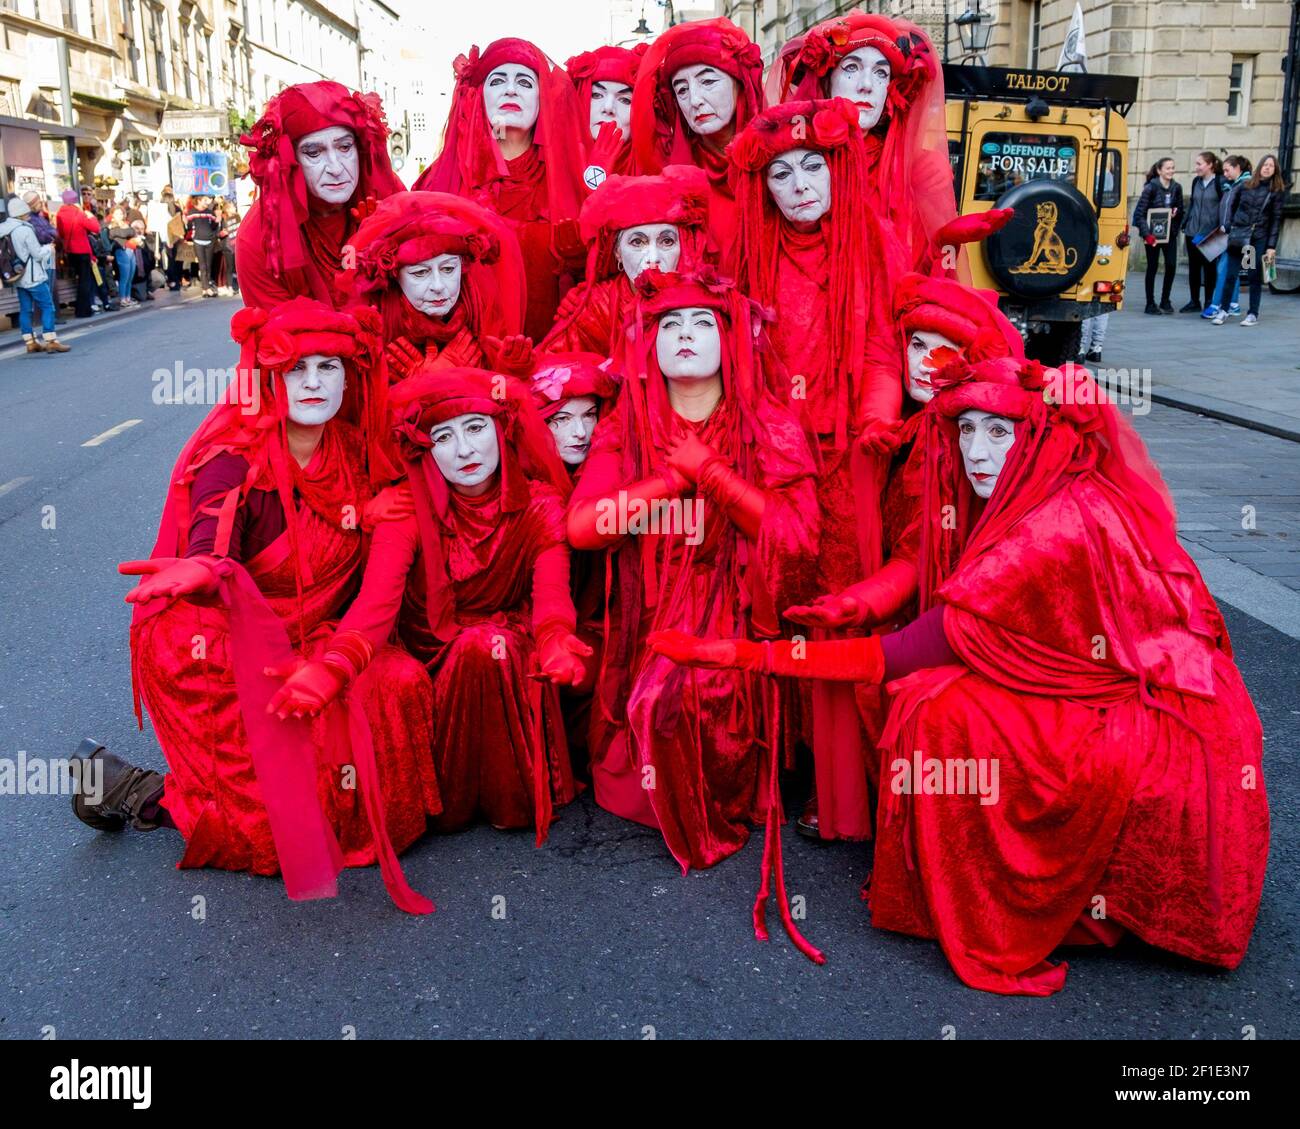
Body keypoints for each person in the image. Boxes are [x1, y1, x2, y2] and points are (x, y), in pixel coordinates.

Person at [651, 346, 1268, 995]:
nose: (975, 449)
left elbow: (900, 652)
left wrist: (742, 654)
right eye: (966, 428)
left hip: (1161, 720)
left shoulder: (1050, 527)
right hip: (1127, 692)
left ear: (1037, 436)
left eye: (998, 431)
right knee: (933, 700)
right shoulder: (1042, 488)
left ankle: (1011, 905)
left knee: (936, 711)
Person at [70, 300, 437, 914]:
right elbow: (213, 547)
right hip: (220, 641)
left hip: (315, 634)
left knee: (396, 683)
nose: (315, 382)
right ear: (268, 376)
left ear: (351, 377)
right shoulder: (234, 456)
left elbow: (382, 587)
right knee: (273, 829)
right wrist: (206, 568)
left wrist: (334, 663)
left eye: (329, 366)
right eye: (297, 369)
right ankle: (131, 789)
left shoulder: (366, 456)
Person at [566, 267, 820, 871]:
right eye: (669, 323)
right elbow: (582, 528)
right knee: (655, 705)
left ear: (731, 340)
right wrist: (668, 480)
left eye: (702, 322)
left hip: (736, 614)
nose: (684, 334)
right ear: (647, 343)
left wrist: (714, 474)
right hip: (648, 612)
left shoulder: (773, 425)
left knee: (683, 699)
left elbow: (798, 537)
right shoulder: (621, 428)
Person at [271, 364, 587, 838]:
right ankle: (450, 797)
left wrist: (556, 638)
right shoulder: (405, 509)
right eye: (442, 437)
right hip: (431, 658)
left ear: (502, 432)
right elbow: (375, 606)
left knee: (489, 646)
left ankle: (506, 795)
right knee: (476, 647)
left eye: (477, 428)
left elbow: (551, 594)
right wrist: (334, 666)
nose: (463, 450)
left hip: (508, 650)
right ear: (424, 449)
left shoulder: (540, 505)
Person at [728, 98, 905, 840]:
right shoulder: (751, 250)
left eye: (812, 166)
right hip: (774, 447)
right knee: (773, 587)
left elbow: (881, 346)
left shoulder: (877, 241)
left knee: (841, 596)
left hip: (848, 453)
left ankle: (843, 778)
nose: (798, 184)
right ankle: (781, 756)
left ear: (837, 169)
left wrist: (875, 420)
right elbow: (740, 350)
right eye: (779, 173)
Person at [414, 39, 587, 341]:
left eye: (524, 81)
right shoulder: (440, 181)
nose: (511, 89)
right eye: (497, 80)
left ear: (541, 97)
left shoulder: (567, 179)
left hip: (554, 354)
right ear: (479, 96)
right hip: (466, 358)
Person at [767, 9, 956, 274]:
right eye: (852, 68)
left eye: (881, 73)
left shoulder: (922, 170)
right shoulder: (789, 165)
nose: (866, 85)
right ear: (826, 82)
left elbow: (936, 273)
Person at [237, 81, 407, 309]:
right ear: (291, 160)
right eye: (314, 153)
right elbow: (280, 335)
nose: (335, 168)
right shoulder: (260, 235)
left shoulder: (385, 192)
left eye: (345, 147)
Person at [336, 190, 526, 386]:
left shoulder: (480, 318)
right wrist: (424, 385)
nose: (438, 286)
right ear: (394, 276)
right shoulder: (374, 329)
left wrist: (507, 372)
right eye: (420, 273)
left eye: (448, 269)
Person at [542, 164, 711, 355]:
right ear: (617, 253)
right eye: (638, 242)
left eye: (666, 241)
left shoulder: (706, 302)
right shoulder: (596, 307)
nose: (653, 258)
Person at [630, 17, 765, 251]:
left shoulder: (781, 162)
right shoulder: (667, 171)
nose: (695, 100)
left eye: (708, 81)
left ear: (740, 84)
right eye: (682, 90)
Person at [1217, 153, 1286, 328]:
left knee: (1253, 275)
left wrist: (1271, 246)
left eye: (1271, 165)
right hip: (1239, 236)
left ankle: (1252, 313)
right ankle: (1223, 310)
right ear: (1260, 166)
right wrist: (1231, 225)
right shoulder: (1245, 185)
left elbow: (1276, 220)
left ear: (1275, 170)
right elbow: (1232, 206)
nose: (1267, 167)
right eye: (1265, 164)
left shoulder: (1275, 192)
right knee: (1231, 274)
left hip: (1256, 239)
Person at [566, 44, 647, 186]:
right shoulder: (552, 163)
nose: (608, 107)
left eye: (625, 99)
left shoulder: (656, 170)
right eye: (596, 95)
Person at [0, 196, 70, 353]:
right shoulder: (25, 229)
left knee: (25, 309)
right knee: (48, 306)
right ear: (22, 213)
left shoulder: (4, 229)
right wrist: (49, 248)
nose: (28, 214)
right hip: (33, 275)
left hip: (18, 276)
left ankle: (30, 342)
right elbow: (37, 254)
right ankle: (51, 340)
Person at [1133, 156, 1183, 314]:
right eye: (1168, 168)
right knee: (1152, 267)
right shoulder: (1150, 188)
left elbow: (1180, 209)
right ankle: (1150, 303)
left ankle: (1165, 300)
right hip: (1152, 235)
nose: (1171, 171)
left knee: (1171, 265)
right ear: (1159, 170)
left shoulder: (1177, 187)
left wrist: (1176, 212)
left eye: (1173, 168)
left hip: (1169, 234)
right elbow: (1140, 214)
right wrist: (1147, 235)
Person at [1203, 155, 1250, 322]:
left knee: (1223, 269)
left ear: (1237, 168)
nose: (1225, 173)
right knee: (1230, 270)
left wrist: (1230, 225)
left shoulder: (1245, 185)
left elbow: (1243, 211)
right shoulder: (1231, 185)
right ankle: (1233, 304)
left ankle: (1217, 304)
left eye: (1227, 170)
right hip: (1226, 233)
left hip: (1235, 234)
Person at [1181, 151, 1226, 312]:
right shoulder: (1196, 182)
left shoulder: (1220, 182)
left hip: (1211, 234)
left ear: (1210, 165)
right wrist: (1185, 223)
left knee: (1209, 268)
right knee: (1193, 268)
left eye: (1199, 164)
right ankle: (1194, 301)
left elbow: (1224, 206)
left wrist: (1222, 228)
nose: (1196, 167)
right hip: (1192, 231)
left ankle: (1209, 301)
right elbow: (1193, 204)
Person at [55, 187, 101, 318]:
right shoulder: (80, 213)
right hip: (82, 251)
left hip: (70, 251)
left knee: (79, 280)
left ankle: (79, 308)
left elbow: (61, 233)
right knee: (85, 281)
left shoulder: (59, 214)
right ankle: (84, 310)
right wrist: (91, 217)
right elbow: (96, 228)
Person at [185, 194, 221, 298]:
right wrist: (185, 222)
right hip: (198, 240)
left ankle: (207, 286)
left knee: (208, 265)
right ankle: (205, 288)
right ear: (198, 200)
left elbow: (213, 226)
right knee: (202, 265)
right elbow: (189, 227)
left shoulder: (209, 212)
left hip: (209, 240)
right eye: (204, 200)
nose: (207, 202)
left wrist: (217, 219)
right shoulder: (192, 212)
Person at [107, 204, 139, 306]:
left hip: (130, 250)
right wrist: (127, 231)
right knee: (124, 276)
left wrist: (127, 231)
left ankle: (128, 297)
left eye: (121, 213)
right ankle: (122, 298)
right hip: (121, 251)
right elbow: (121, 233)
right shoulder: (112, 226)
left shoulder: (125, 224)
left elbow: (132, 232)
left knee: (130, 276)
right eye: (117, 213)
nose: (119, 215)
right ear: (113, 215)